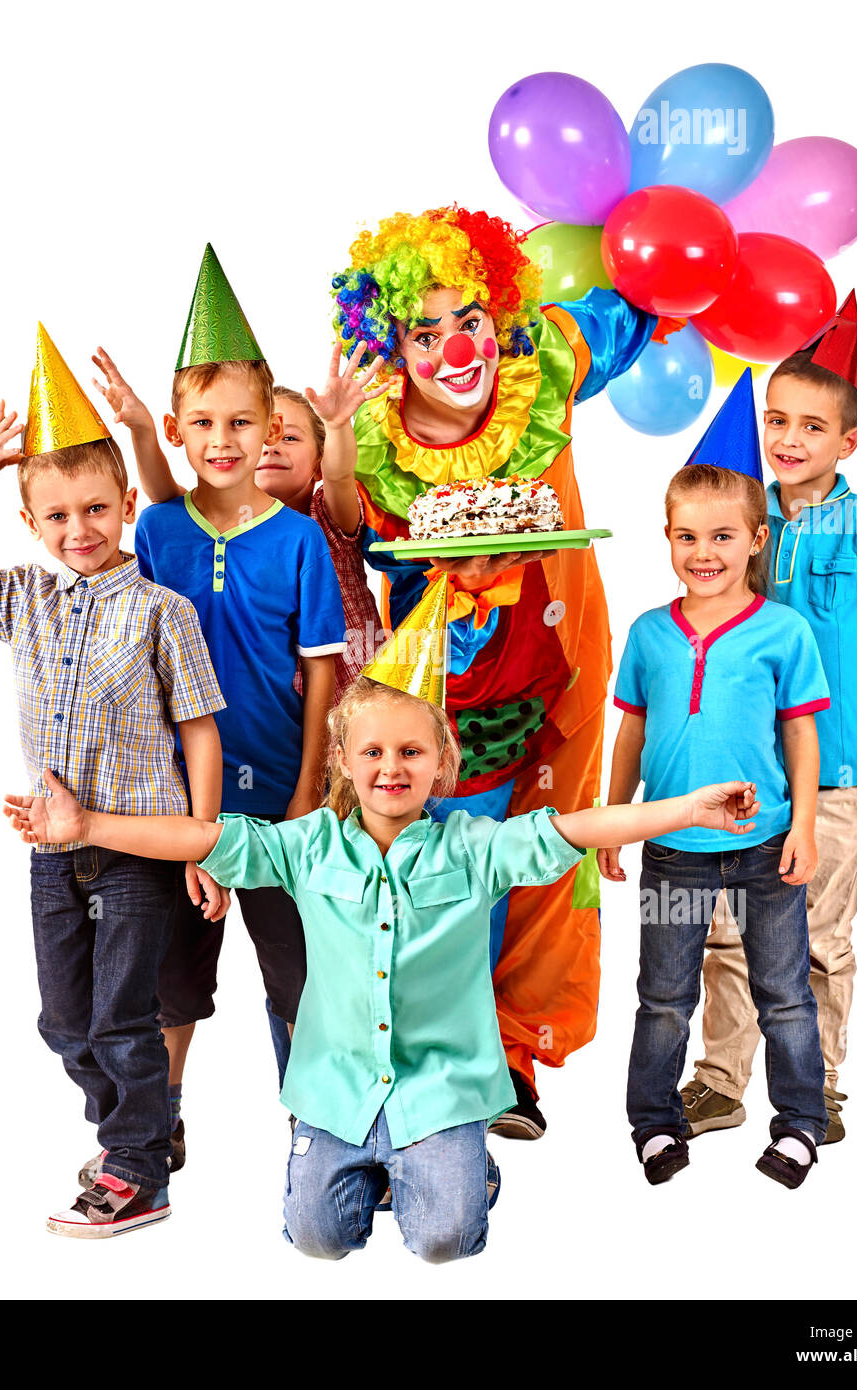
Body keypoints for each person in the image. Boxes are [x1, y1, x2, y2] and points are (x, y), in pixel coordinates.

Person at [3, 597, 761, 1259]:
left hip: (441, 1090)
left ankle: (461, 1167)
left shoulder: (474, 848)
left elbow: (580, 826)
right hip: (337, 1094)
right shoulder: (307, 847)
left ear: (442, 764)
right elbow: (199, 839)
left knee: (441, 1242)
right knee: (318, 1239)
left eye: (411, 752)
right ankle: (381, 1169)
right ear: (343, 760)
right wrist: (88, 824)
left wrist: (687, 810)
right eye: (372, 752)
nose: (391, 768)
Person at [329, 204, 659, 1137]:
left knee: (551, 875)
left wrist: (677, 259)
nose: (455, 349)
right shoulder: (378, 443)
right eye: (423, 333)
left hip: (557, 683)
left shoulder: (541, 369)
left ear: (500, 315)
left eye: (470, 319)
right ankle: (434, 1061)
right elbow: (352, 531)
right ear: (389, 346)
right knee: (448, 884)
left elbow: (639, 302)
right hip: (442, 707)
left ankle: (513, 1059)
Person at [0, 325, 227, 1236]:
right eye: (57, 516)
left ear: (126, 505)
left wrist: (205, 847)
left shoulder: (164, 611)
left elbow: (199, 731)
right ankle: (145, 1125)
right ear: (31, 524)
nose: (78, 530)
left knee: (125, 1018)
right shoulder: (25, 599)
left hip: (136, 852)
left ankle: (133, 1167)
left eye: (95, 508)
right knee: (64, 1026)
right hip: (53, 849)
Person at [89, 247, 346, 1150]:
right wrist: (132, 438)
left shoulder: (303, 541)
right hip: (170, 800)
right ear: (178, 428)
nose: (228, 439)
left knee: (298, 971)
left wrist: (310, 787)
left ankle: (316, 1121)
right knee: (170, 975)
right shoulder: (157, 529)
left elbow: (321, 673)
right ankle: (160, 1119)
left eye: (246, 421)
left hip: (277, 792)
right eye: (204, 422)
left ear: (273, 426)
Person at [680, 295, 857, 1145]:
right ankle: (719, 1080)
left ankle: (816, 1085)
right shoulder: (744, 514)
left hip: (843, 763)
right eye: (777, 418)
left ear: (848, 442)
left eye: (812, 427)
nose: (788, 439)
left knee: (819, 932)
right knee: (723, 932)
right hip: (747, 765)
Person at [599, 378, 832, 1188]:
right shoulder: (650, 634)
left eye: (723, 537)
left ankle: (801, 1120)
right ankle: (654, 1122)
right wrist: (614, 818)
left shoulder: (783, 632)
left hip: (762, 845)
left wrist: (802, 823)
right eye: (686, 537)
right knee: (663, 996)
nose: (704, 554)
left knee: (784, 992)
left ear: (756, 539)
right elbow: (629, 728)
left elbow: (800, 732)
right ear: (666, 538)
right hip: (670, 849)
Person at [94, 340, 386, 702]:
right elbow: (167, 498)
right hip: (288, 702)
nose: (270, 448)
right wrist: (142, 431)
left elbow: (341, 475)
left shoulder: (327, 516)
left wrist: (337, 423)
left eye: (291, 438)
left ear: (319, 459)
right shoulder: (225, 523)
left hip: (358, 697)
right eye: (258, 437)